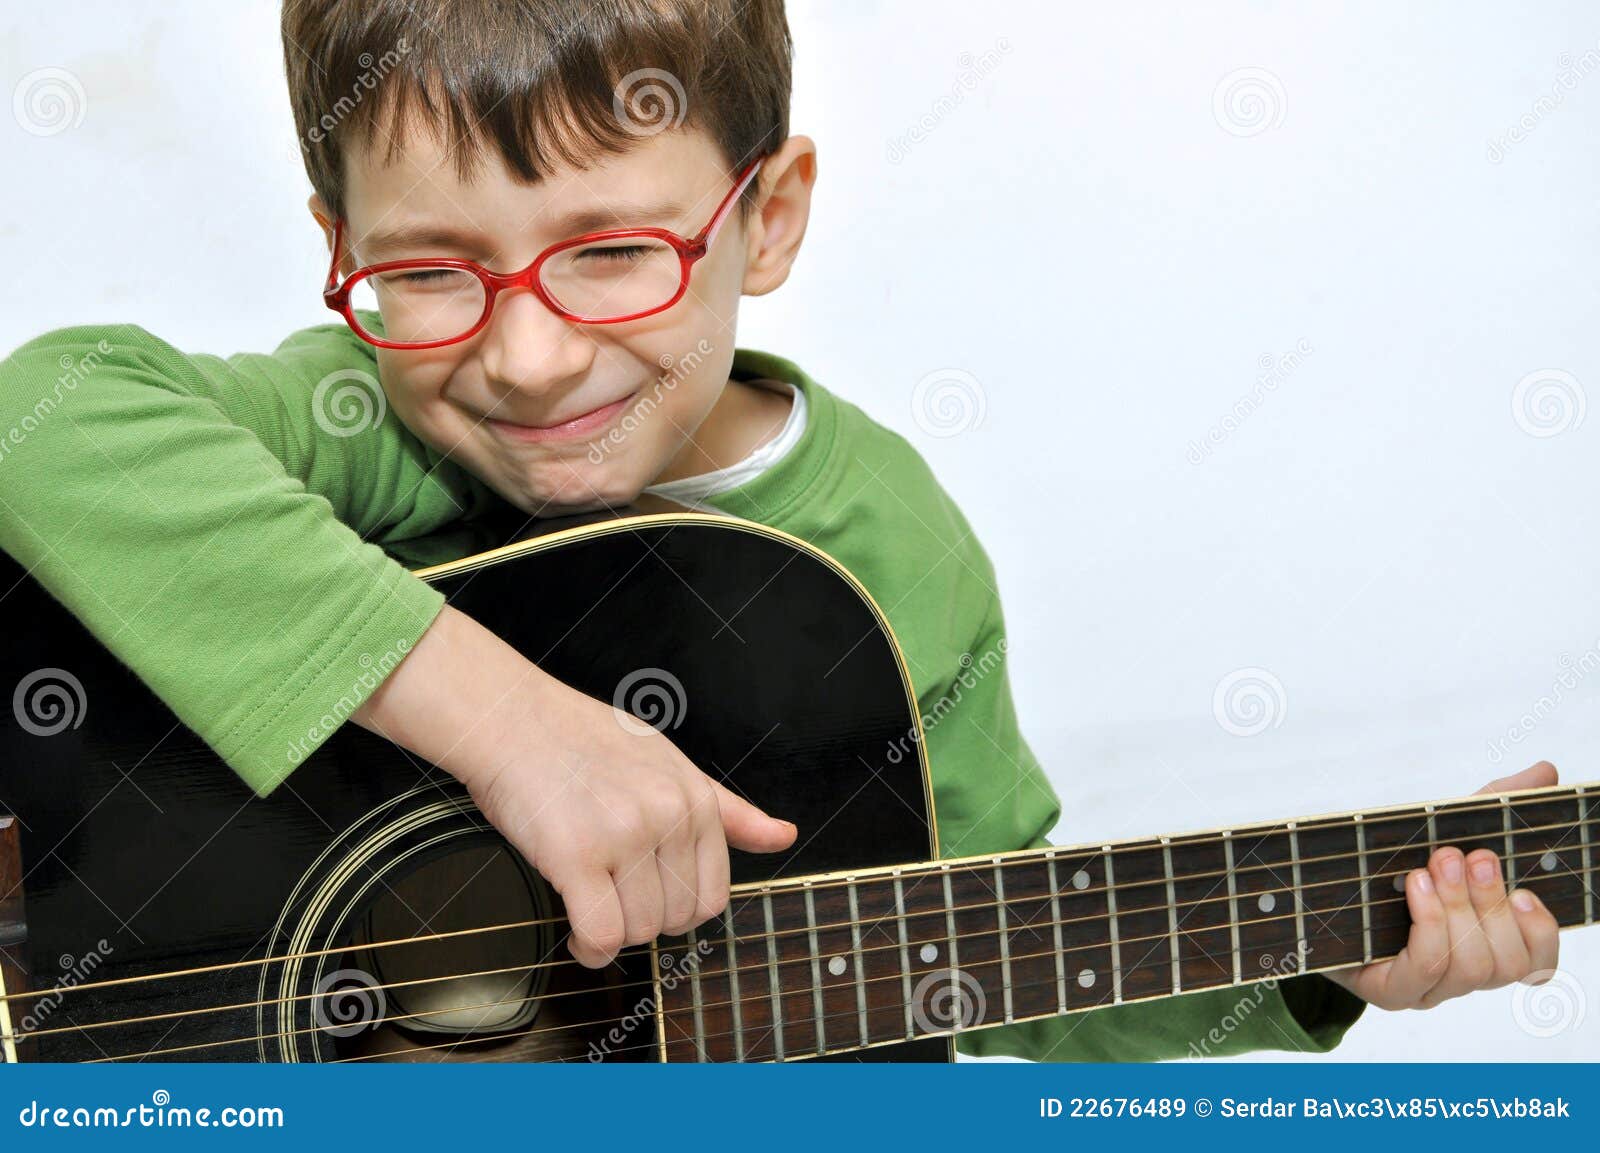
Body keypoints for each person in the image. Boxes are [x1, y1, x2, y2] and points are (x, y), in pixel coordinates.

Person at [0, 0, 1560, 1061]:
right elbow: (45, 419)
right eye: (428, 271)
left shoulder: (882, 555)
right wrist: (511, 728)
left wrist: (1322, 955)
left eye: (613, 252)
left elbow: (992, 977)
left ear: (772, 214)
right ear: (339, 249)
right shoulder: (374, 420)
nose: (525, 357)